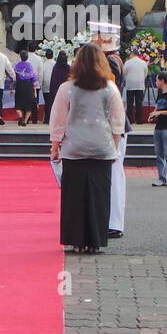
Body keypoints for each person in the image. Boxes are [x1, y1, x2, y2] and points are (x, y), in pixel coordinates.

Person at [49, 42, 126, 254]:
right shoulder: (110, 88)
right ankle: (95, 239)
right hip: (101, 147)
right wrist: (115, 148)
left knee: (74, 196)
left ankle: (76, 239)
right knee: (99, 196)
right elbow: (117, 121)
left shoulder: (67, 88)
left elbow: (58, 119)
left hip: (74, 148)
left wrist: (55, 145)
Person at [92, 21, 130, 238]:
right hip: (108, 124)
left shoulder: (111, 63)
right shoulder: (111, 60)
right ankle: (110, 220)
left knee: (114, 174)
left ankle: (114, 222)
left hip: (113, 125)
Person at [122, 47, 148, 126]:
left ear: (132, 54)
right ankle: (139, 120)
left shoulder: (128, 62)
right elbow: (145, 73)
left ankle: (130, 119)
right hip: (140, 84)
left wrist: (128, 79)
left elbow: (124, 72)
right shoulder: (143, 62)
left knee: (130, 102)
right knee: (139, 102)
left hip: (130, 84)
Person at [13, 49, 39, 126]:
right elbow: (34, 78)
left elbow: (13, 77)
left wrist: (11, 86)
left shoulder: (17, 66)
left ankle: (20, 117)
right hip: (28, 87)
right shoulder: (30, 66)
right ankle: (25, 120)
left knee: (18, 104)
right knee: (29, 106)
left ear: (20, 57)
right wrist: (35, 89)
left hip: (19, 86)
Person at [45, 49, 70, 123]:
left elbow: (53, 79)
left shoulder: (55, 67)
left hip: (56, 89)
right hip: (66, 90)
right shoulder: (68, 67)